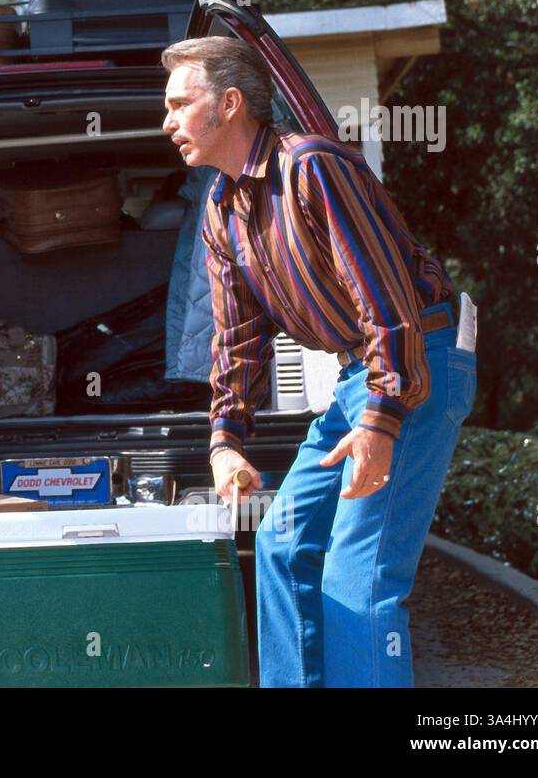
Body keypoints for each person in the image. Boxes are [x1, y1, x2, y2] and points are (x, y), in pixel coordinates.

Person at [160, 37, 477, 688]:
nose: (166, 122)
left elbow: (388, 300)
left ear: (229, 103)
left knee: (358, 579)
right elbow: (237, 343)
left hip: (416, 361)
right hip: (358, 376)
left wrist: (382, 421)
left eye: (178, 104)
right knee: (278, 543)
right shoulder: (221, 211)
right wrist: (225, 442)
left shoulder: (313, 170)